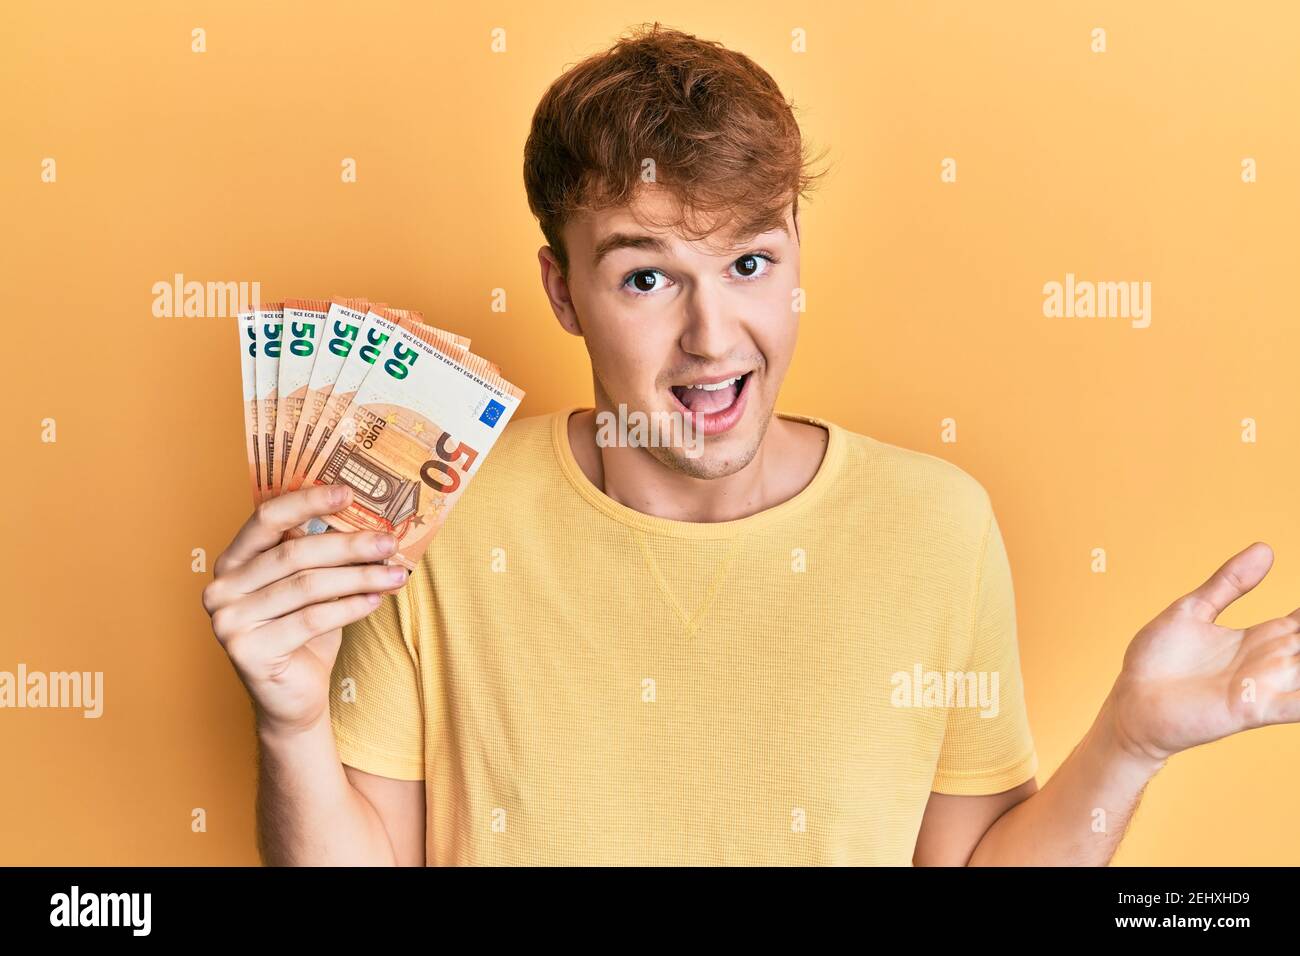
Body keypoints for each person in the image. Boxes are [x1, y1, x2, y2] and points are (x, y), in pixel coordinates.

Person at [202, 23, 1300, 866]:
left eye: (749, 263)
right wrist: (289, 720)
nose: (713, 337)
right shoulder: (440, 522)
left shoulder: (935, 524)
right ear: (563, 291)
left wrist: (1130, 739)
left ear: (796, 255)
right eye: (645, 277)